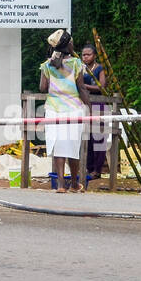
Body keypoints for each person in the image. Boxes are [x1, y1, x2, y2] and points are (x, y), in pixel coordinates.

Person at [39, 30, 89, 193]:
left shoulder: (47, 64)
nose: (73, 45)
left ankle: (61, 184)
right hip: (73, 109)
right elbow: (81, 87)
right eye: (72, 42)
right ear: (68, 45)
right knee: (72, 146)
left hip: (53, 109)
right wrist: (89, 106)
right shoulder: (76, 63)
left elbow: (43, 88)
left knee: (59, 146)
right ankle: (74, 184)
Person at [78, 44, 108, 185]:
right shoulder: (80, 68)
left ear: (94, 55)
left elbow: (102, 86)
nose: (85, 57)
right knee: (87, 138)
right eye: (83, 55)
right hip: (84, 106)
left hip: (99, 106)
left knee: (99, 138)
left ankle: (97, 169)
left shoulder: (99, 68)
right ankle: (88, 168)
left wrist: (84, 87)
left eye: (88, 54)